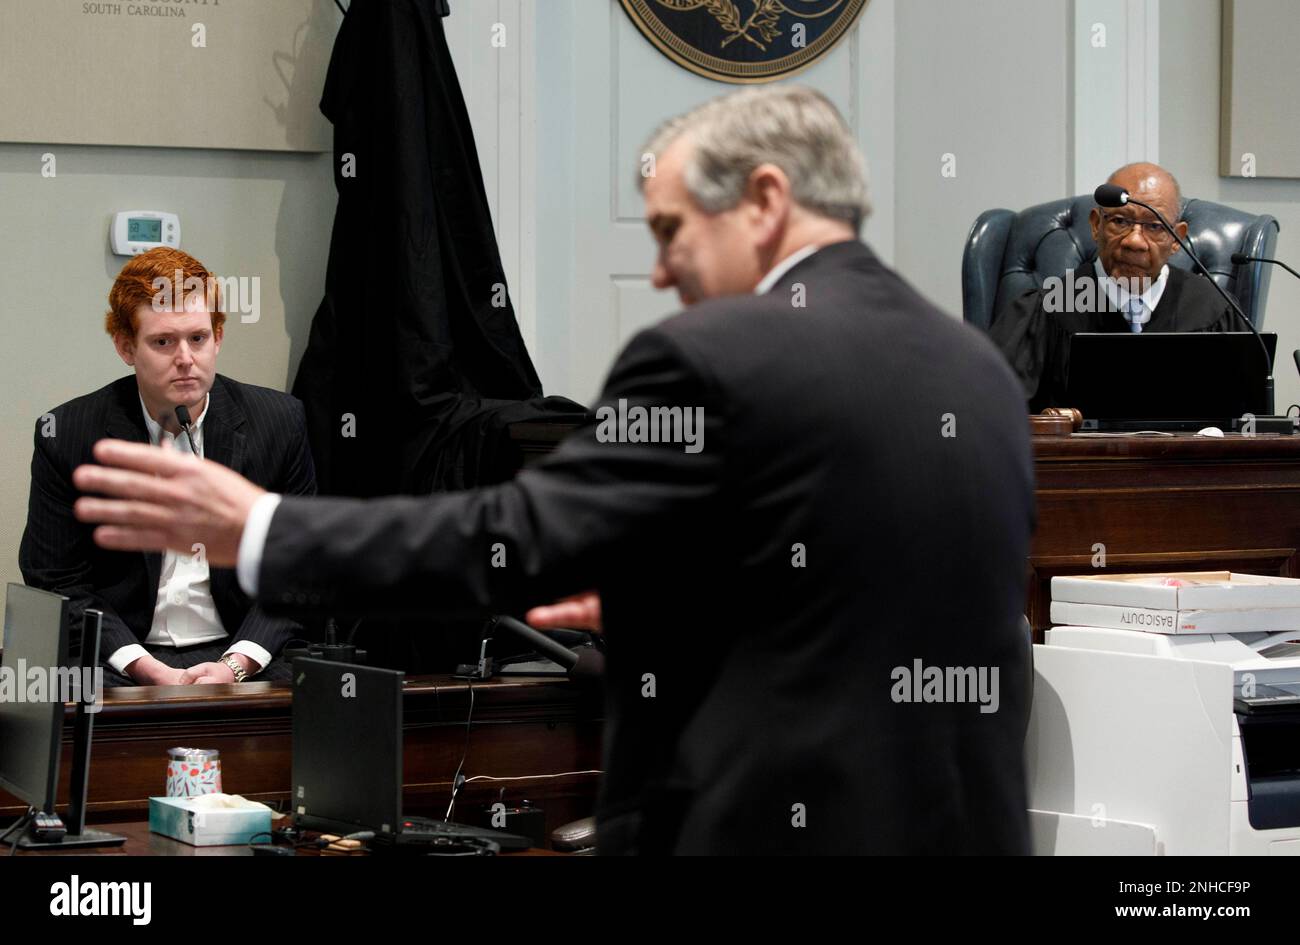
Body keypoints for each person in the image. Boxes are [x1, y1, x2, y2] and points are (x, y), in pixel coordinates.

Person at [72, 87, 1035, 853]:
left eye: (670, 231)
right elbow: (854, 597)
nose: (661, 272)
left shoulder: (712, 355)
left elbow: (506, 541)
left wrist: (266, 529)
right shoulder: (976, 370)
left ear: (768, 201)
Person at [20, 248, 316, 686]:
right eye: (163, 342)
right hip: (120, 658)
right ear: (125, 347)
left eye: (198, 338)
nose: (185, 358)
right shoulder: (66, 434)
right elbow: (57, 582)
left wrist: (234, 665)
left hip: (246, 649)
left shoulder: (279, 422)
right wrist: (147, 668)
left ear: (218, 336)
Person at [989, 162, 1235, 411]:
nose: (1135, 241)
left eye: (1154, 227)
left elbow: (1244, 429)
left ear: (1176, 239)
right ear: (1097, 225)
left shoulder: (1214, 311)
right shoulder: (1046, 310)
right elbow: (995, 418)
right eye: (1120, 221)